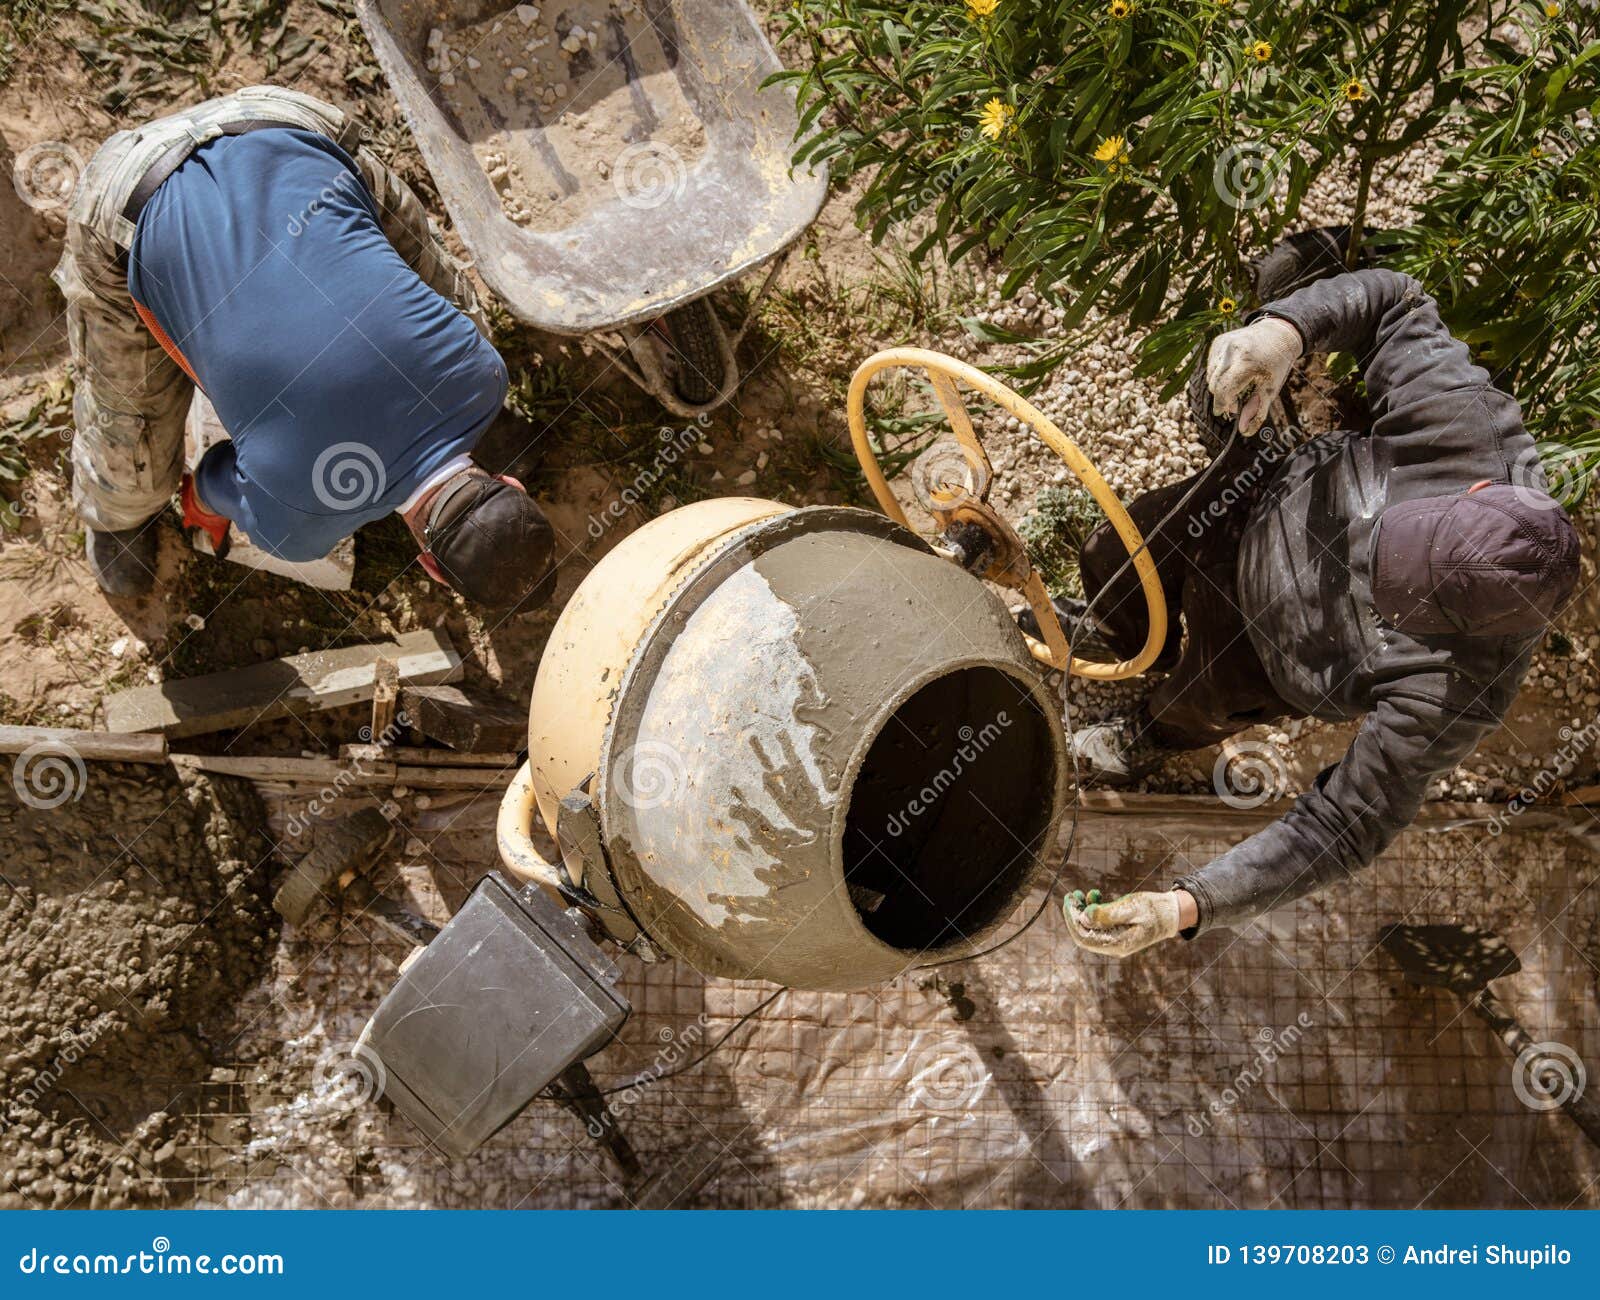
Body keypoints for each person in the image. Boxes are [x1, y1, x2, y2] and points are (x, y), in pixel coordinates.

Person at [1057, 267, 1580, 957]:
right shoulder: (1467, 428)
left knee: (1193, 702)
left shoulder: (1460, 689)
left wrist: (1185, 906)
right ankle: (1115, 637)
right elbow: (1396, 300)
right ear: (1475, 486)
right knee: (1115, 552)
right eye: (1396, 553)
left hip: (1263, 660)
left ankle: (1151, 733)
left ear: (1472, 634)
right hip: (1258, 503)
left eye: (1399, 602)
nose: (1367, 577)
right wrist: (1284, 331)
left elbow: (1346, 826)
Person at [54, 84, 555, 608]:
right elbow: (211, 480)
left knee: (460, 318)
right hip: (125, 210)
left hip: (282, 122)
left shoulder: (484, 374)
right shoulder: (298, 530)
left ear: (511, 485)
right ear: (430, 566)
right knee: (130, 462)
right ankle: (117, 516)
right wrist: (206, 502)